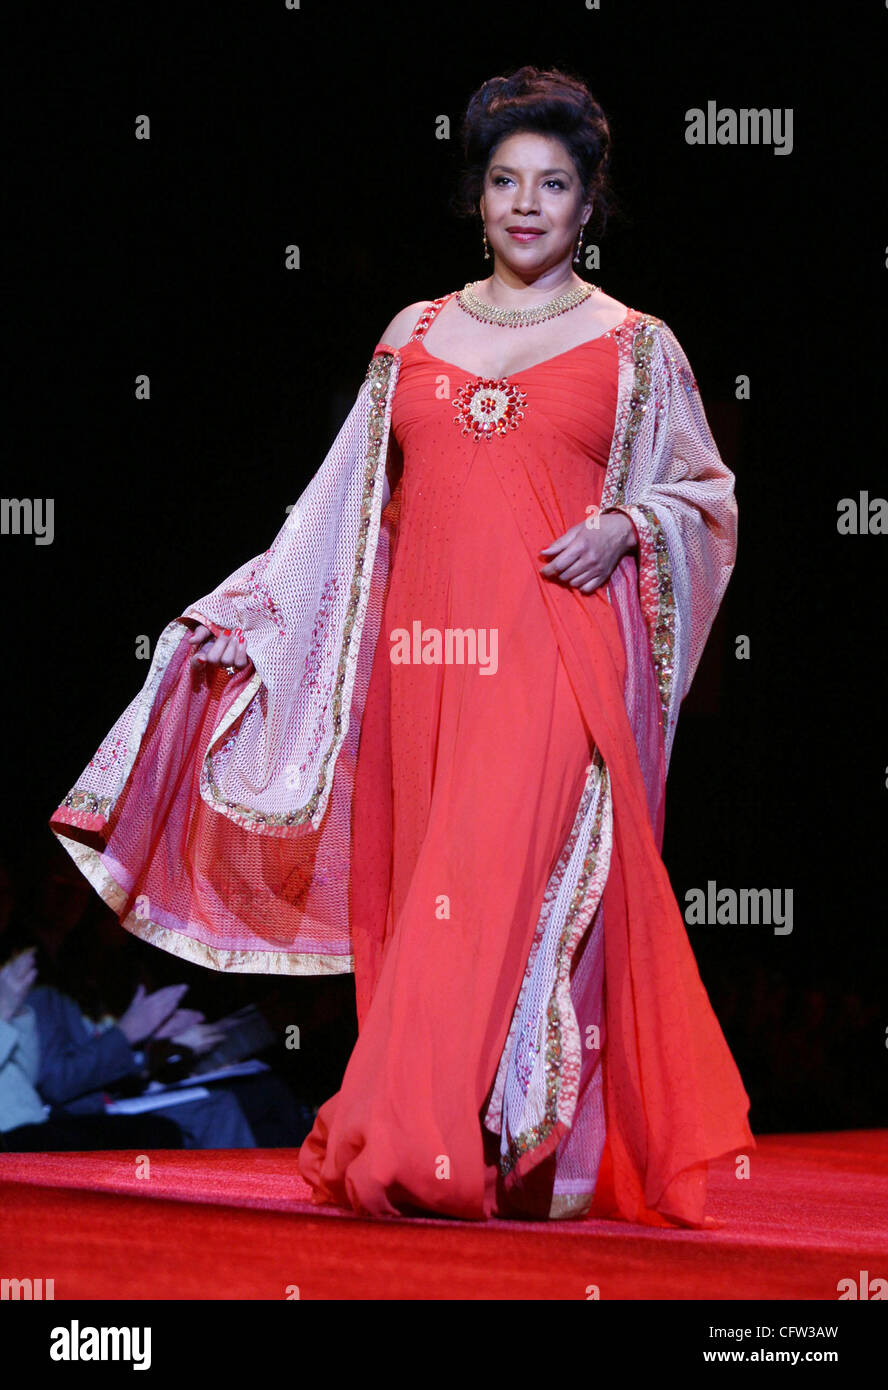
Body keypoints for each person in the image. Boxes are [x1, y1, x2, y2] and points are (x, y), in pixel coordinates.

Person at [49, 65, 754, 1225]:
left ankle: (414, 1149)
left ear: (592, 204)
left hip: (554, 660)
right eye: (504, 181)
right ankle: (484, 1145)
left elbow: (706, 498)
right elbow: (335, 512)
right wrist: (249, 613)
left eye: (555, 184)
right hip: (419, 666)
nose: (527, 204)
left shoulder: (637, 347)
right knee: (424, 897)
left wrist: (629, 523)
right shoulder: (413, 333)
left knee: (491, 889)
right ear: (477, 195)